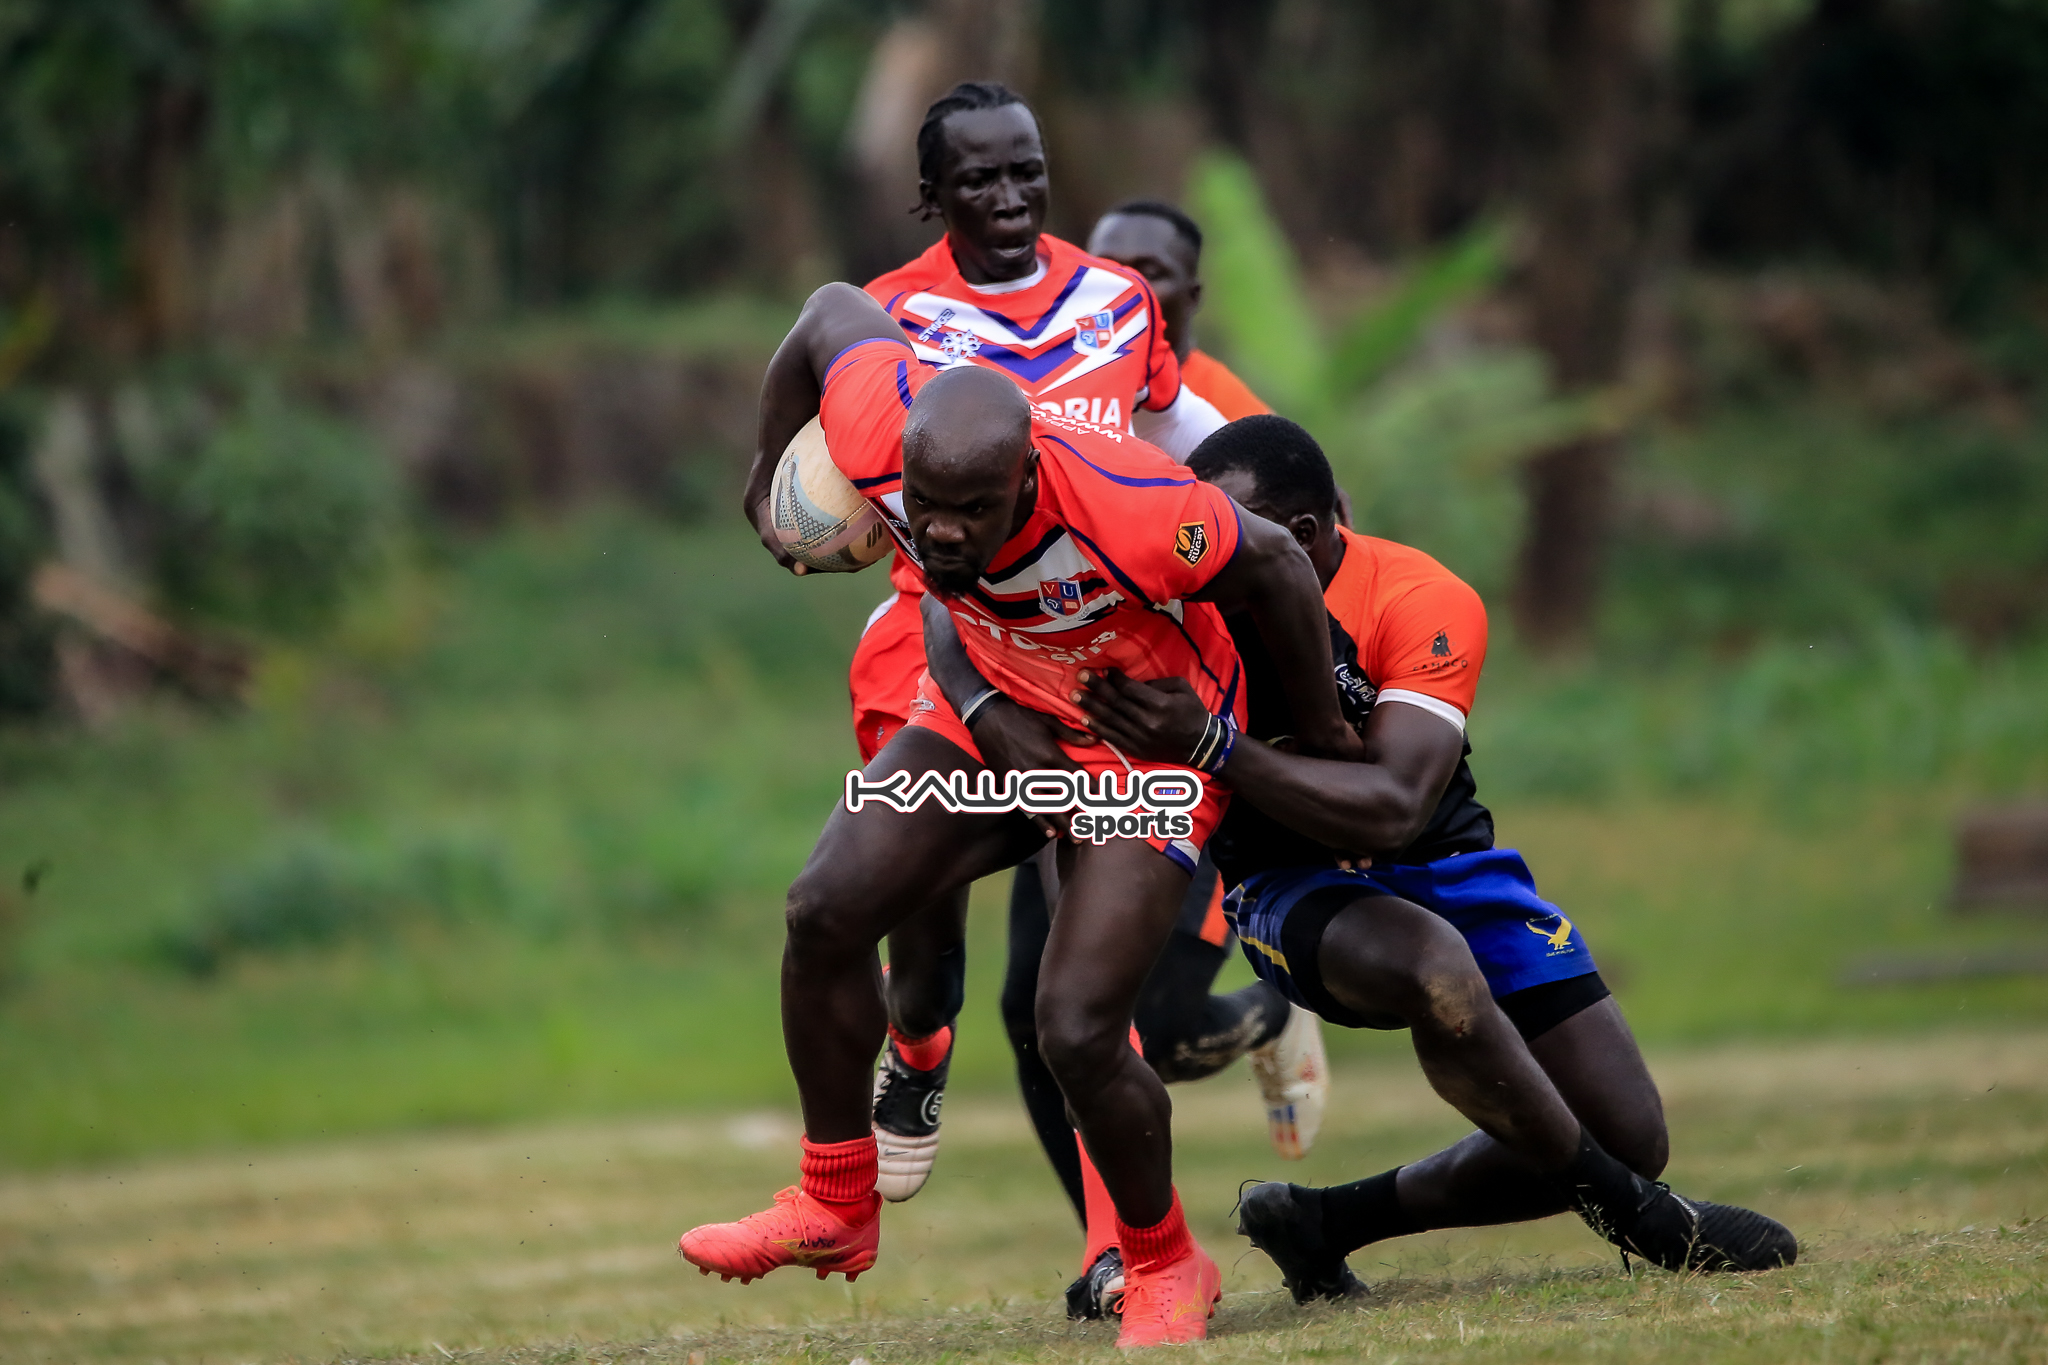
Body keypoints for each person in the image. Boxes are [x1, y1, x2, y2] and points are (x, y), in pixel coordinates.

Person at [682, 286, 1359, 1348]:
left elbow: (1271, 563)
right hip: (990, 710)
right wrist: (765, 477)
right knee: (823, 908)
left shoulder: (1131, 502)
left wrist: (1315, 741)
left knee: (1076, 1027)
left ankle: (1161, 1261)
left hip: (1137, 744)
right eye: (922, 505)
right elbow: (825, 316)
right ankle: (833, 1203)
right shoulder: (879, 424)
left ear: (1028, 479)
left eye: (971, 512)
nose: (939, 532)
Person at [1055, 414, 1799, 1297]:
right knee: (1432, 965)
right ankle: (1635, 1215)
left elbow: (1398, 810)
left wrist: (1216, 745)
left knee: (1630, 1134)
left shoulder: (1418, 597)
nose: (1215, 558)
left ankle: (1323, 1220)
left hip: (1444, 862)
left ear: (1302, 534)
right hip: (1291, 887)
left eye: (1238, 535)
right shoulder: (1181, 600)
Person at [843, 82, 1323, 1229]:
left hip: (1114, 680)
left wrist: (1313, 650)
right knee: (931, 926)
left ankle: (1127, 1245)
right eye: (978, 178)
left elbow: (1260, 513)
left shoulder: (1160, 368)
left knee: (1079, 1008)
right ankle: (913, 1040)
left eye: (1026, 171)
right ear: (931, 195)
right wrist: (788, 492)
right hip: (958, 646)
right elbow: (839, 428)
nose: (1009, 199)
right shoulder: (887, 317)